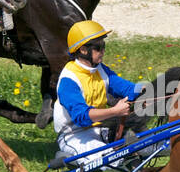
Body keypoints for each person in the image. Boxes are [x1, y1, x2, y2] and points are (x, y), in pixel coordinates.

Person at [53, 19, 150, 161]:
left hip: (100, 129)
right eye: (98, 47)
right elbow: (82, 118)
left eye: (103, 45)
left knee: (151, 145)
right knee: (116, 159)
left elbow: (127, 88)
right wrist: (115, 111)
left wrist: (148, 89)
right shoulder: (69, 80)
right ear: (83, 50)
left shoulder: (100, 69)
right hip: (74, 136)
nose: (103, 51)